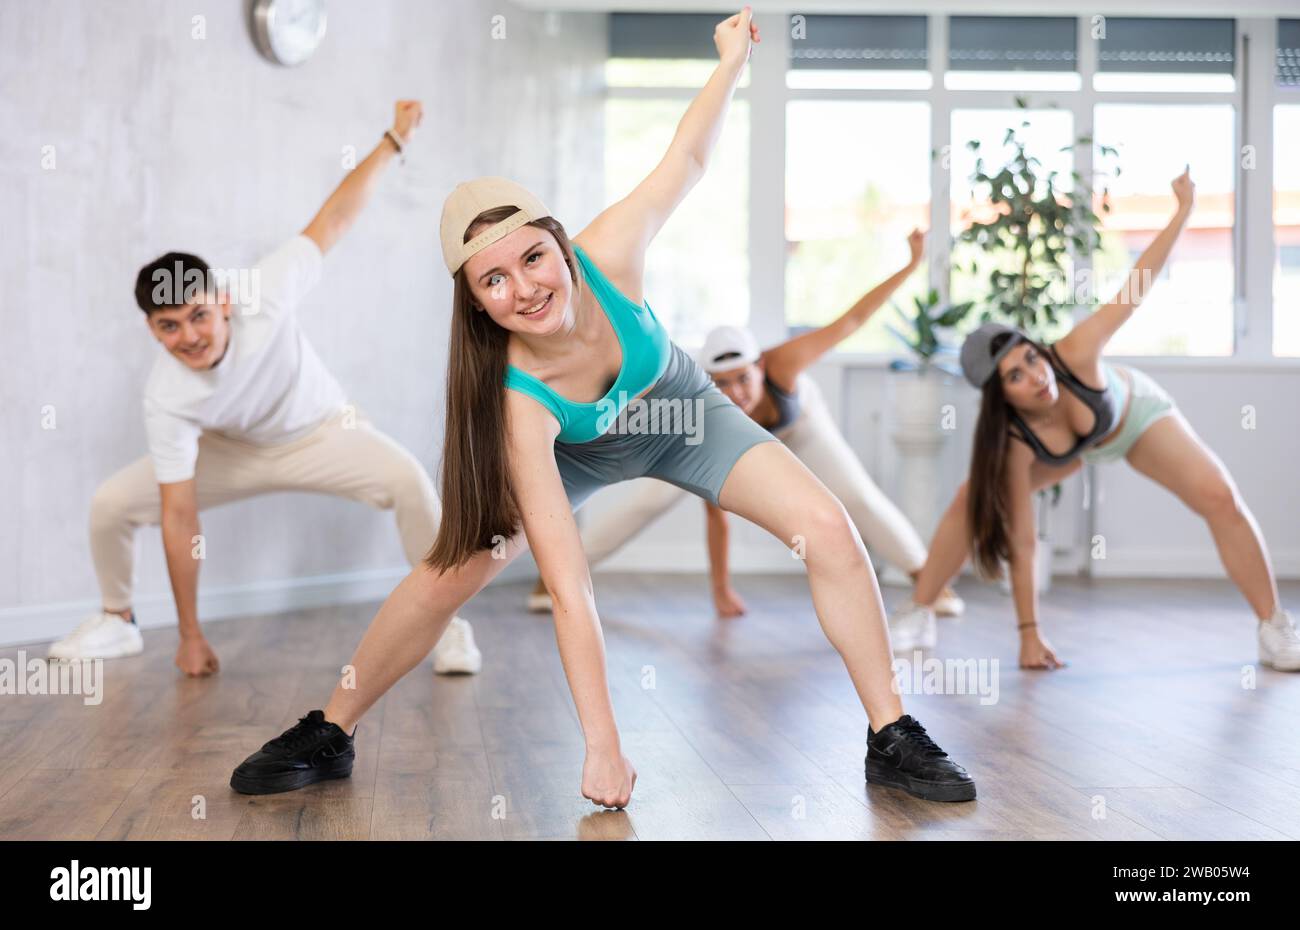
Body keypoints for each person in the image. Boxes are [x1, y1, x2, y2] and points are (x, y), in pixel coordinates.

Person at [230, 9, 976, 807]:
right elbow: (572, 582)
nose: (526, 287)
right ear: (477, 305)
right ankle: (331, 729)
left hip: (682, 417)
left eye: (532, 257)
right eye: (494, 281)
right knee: (449, 575)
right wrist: (604, 746)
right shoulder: (520, 405)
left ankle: (889, 733)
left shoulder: (610, 253)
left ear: (558, 242)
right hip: (575, 452)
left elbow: (686, 157)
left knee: (829, 528)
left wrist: (728, 62)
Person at [53, 101, 481, 678]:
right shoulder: (167, 396)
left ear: (223, 300)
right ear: (151, 330)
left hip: (323, 430)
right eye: (169, 327)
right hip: (233, 451)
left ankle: (448, 626)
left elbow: (334, 218)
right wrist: (190, 635)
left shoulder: (265, 290)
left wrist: (394, 140)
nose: (189, 337)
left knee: (409, 482)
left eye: (198, 316)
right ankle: (119, 622)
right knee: (110, 504)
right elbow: (180, 517)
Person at [890, 168, 1300, 673]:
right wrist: (1029, 636)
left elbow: (1136, 287)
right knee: (973, 498)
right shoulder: (1015, 441)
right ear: (1003, 400)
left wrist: (1183, 213)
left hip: (1131, 420)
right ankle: (919, 610)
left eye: (1031, 358)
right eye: (1016, 377)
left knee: (1219, 496)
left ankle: (1273, 626)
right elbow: (1021, 539)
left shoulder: (1075, 353)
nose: (1036, 377)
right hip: (1066, 451)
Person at [524, 229, 963, 619]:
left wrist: (911, 266)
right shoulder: (702, 407)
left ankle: (930, 581)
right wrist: (719, 589)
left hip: (799, 424)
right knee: (647, 501)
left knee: (855, 496)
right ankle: (555, 580)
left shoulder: (786, 365)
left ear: (762, 365)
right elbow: (718, 511)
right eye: (724, 383)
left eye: (745, 379)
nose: (737, 392)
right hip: (721, 431)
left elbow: (852, 320)